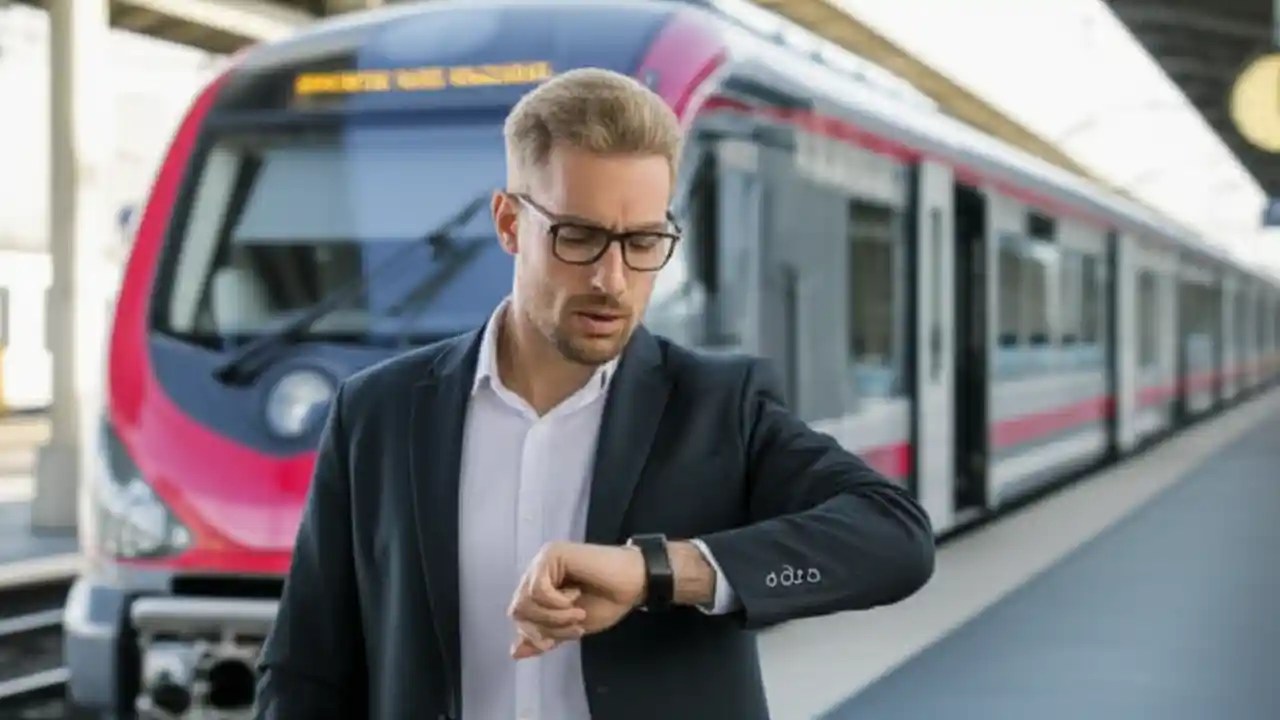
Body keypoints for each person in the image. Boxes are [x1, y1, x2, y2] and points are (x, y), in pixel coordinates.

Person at [254, 67, 935, 720]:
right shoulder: (379, 412)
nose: (613, 278)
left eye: (643, 241)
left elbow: (895, 539)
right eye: (578, 237)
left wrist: (660, 572)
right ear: (509, 223)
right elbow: (306, 671)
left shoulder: (718, 405)